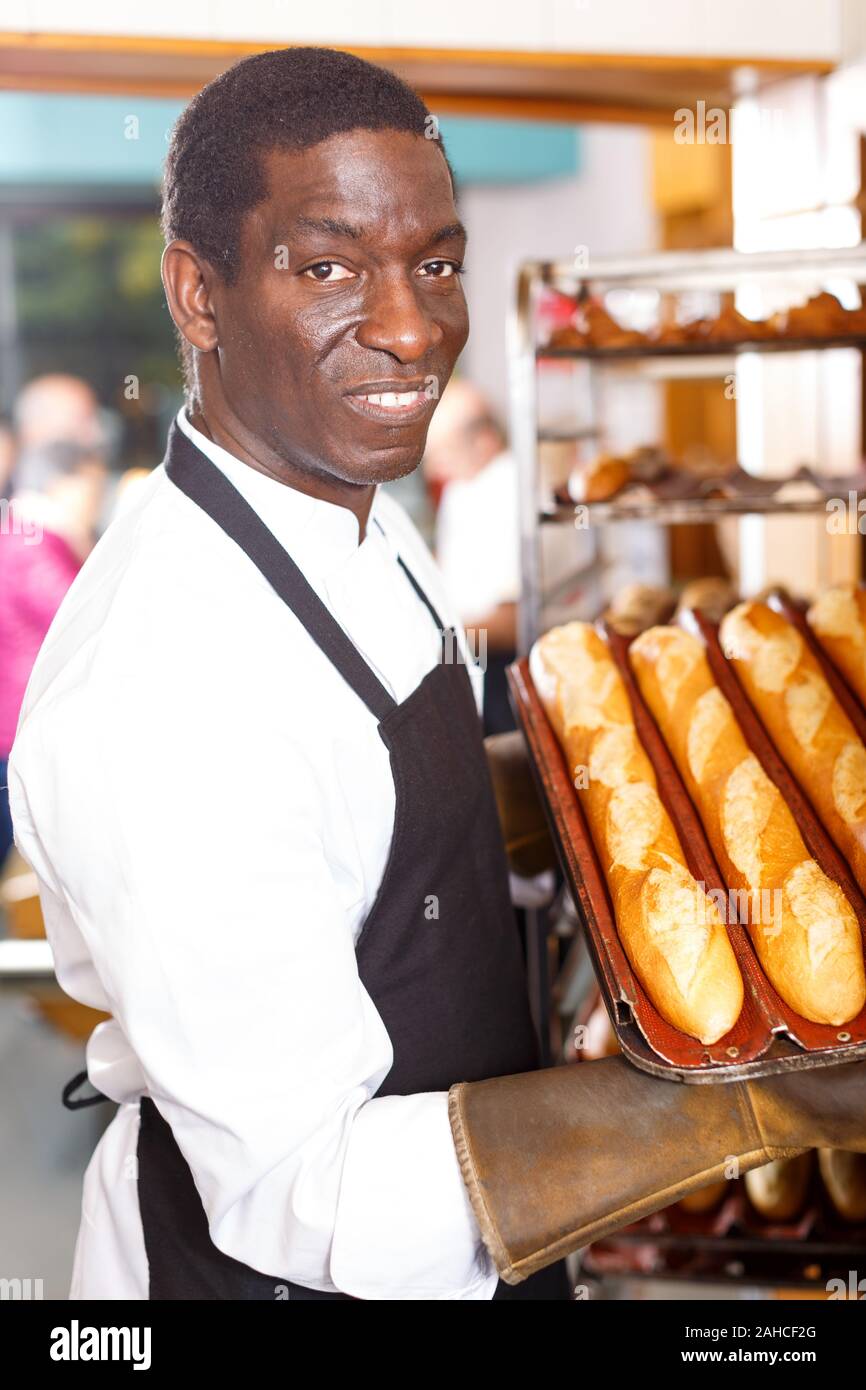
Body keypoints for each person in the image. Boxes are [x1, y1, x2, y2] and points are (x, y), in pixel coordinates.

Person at [9, 48, 866, 1303]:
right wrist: (748, 1107)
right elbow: (308, 1196)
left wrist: (649, 793)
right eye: (327, 268)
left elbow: (385, 807)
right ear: (198, 294)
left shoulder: (358, 507)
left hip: (493, 1208)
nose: (412, 330)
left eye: (436, 264)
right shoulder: (161, 693)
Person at [0, 376, 106, 870]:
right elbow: (83, 623)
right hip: (19, 731)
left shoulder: (29, 535)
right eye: (89, 488)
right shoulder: (34, 542)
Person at [423, 379, 520, 734]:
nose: (434, 470)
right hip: (469, 654)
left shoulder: (509, 489)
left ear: (484, 440)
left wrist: (436, 645)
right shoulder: (462, 487)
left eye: (444, 454)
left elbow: (512, 626)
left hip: (500, 669)